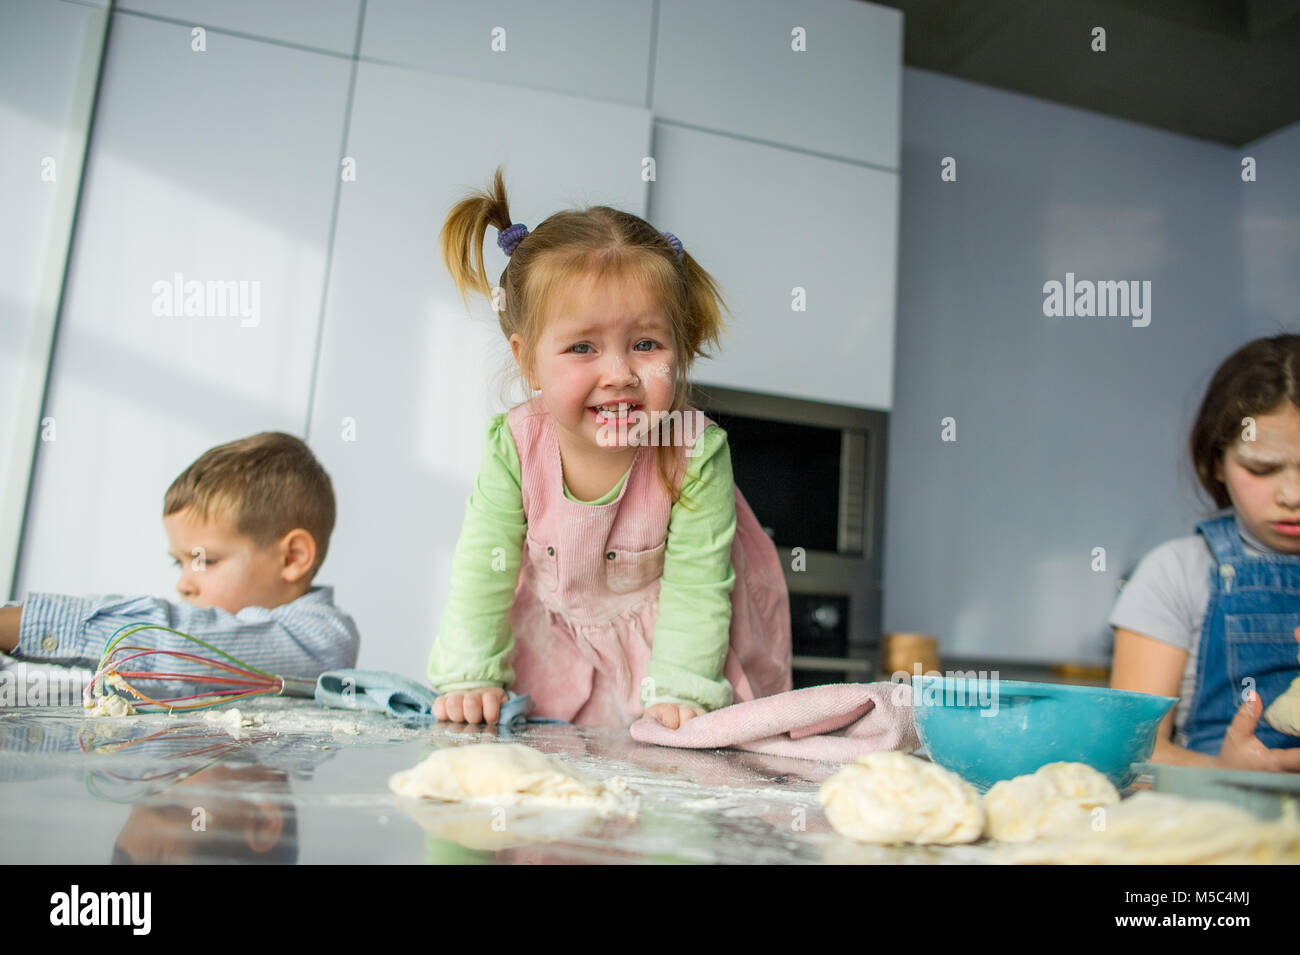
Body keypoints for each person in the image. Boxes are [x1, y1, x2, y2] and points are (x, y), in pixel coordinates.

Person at [427, 167, 791, 729]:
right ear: (528, 362)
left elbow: (698, 583)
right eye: (582, 347)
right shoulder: (516, 446)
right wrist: (470, 673)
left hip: (681, 644)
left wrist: (681, 689)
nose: (619, 373)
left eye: (646, 344)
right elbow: (484, 564)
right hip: (558, 644)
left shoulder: (693, 452)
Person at [0, 432, 360, 686]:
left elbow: (183, 641)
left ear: (292, 558)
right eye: (180, 562)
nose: (184, 583)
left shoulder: (321, 640)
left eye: (206, 560)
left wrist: (21, 624)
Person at [1109, 334, 1300, 771]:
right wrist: (1223, 773)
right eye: (1262, 468)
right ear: (1216, 461)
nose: (1292, 495)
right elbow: (1132, 751)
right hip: (1217, 819)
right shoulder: (1176, 574)